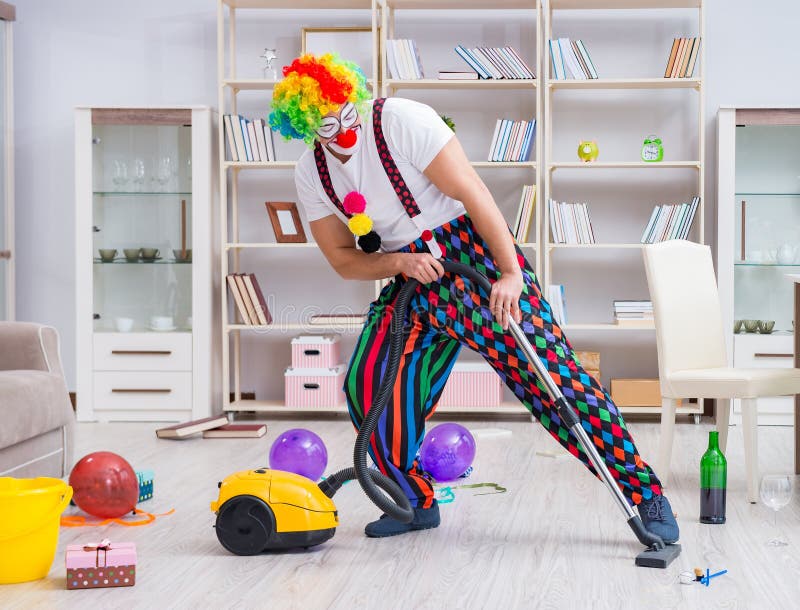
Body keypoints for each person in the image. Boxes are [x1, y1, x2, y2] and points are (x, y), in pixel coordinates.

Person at [270, 53, 679, 542]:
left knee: (555, 384)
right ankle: (411, 500)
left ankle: (644, 495)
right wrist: (399, 263)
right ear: (307, 127)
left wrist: (510, 273)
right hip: (412, 277)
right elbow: (342, 258)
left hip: (476, 259)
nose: (345, 128)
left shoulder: (401, 120)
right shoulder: (311, 173)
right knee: (370, 382)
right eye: (329, 123)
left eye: (349, 111)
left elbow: (474, 193)